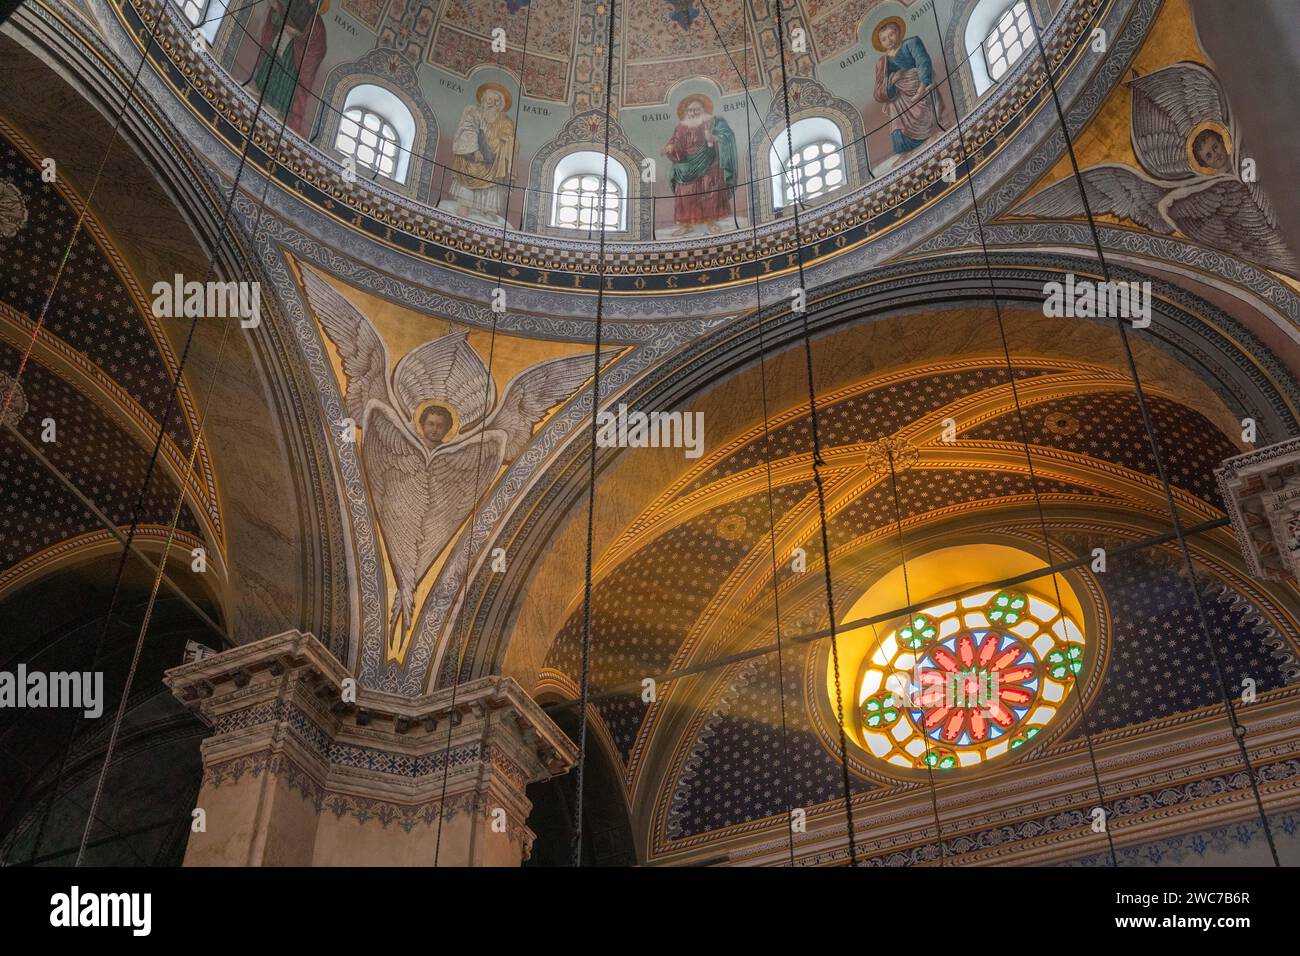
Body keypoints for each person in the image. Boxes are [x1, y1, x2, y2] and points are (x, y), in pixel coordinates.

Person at [246, 0, 327, 137]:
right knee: (271, 70)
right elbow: (280, 18)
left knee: (285, 81)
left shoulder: (317, 24)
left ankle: (274, 109)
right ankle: (261, 95)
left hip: (294, 60)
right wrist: (277, 10)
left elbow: (318, 48)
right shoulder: (294, 4)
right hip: (280, 44)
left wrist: (298, 37)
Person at [663, 94, 738, 236]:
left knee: (710, 191)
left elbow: (727, 136)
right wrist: (671, 148)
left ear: (704, 109)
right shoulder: (681, 127)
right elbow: (675, 143)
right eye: (690, 110)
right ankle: (686, 224)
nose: (692, 113)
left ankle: (712, 221)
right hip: (688, 165)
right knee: (685, 193)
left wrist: (714, 138)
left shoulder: (715, 121)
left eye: (696, 110)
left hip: (710, 161)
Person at [871, 16, 945, 157]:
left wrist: (921, 89)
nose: (889, 40)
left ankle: (930, 131)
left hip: (918, 83)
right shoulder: (882, 62)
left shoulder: (911, 43)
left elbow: (923, 62)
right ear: (881, 43)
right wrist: (893, 80)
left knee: (922, 102)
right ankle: (904, 151)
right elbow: (879, 89)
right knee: (893, 106)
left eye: (891, 34)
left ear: (899, 32)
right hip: (899, 92)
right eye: (884, 39)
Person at [448, 84, 516, 222]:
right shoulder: (473, 112)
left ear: (500, 104)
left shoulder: (505, 120)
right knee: (468, 173)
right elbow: (466, 129)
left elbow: (509, 135)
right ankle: (464, 205)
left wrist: (502, 141)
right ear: (483, 99)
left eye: (495, 100)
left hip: (493, 160)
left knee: (493, 178)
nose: (490, 102)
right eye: (488, 99)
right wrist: (475, 149)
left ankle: (489, 209)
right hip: (473, 155)